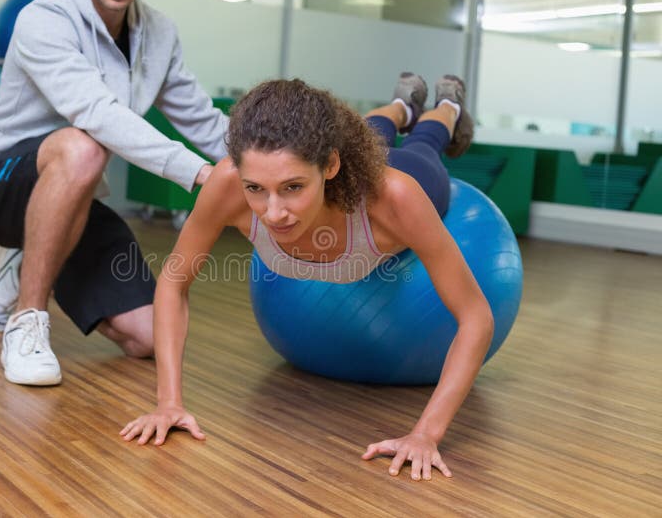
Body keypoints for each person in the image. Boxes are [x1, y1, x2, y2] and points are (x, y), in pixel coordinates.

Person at [119, 73, 494, 481]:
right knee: (371, 131)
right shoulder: (227, 184)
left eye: (293, 187)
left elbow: (476, 317)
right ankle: (402, 104)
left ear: (331, 165)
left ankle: (447, 108)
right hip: (339, 161)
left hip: (412, 175)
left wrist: (426, 434)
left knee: (421, 146)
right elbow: (174, 282)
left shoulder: (396, 197)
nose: (273, 211)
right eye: (255, 188)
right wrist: (168, 402)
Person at [0, 0, 228, 386]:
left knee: (151, 337)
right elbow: (96, 113)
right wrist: (200, 174)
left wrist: (266, 163)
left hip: (75, 199)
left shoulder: (159, 32)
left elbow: (203, 121)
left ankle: (22, 262)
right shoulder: (44, 18)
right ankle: (26, 319)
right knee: (83, 145)